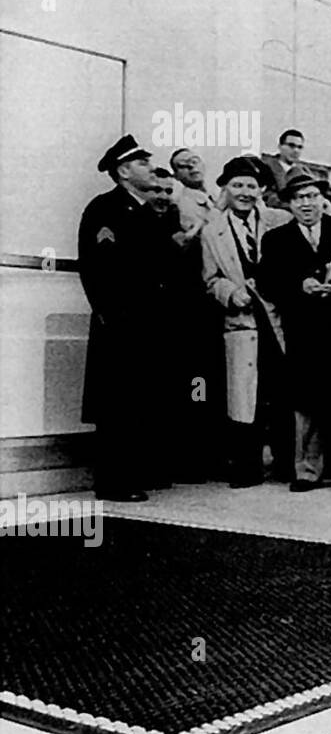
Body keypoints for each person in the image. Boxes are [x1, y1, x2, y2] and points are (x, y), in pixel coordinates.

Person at [78, 136, 180, 501]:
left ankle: (137, 472)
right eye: (142, 163)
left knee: (141, 400)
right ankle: (114, 482)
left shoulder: (147, 211)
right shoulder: (105, 209)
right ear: (123, 171)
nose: (151, 169)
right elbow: (100, 269)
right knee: (118, 403)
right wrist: (114, 317)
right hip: (122, 324)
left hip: (149, 325)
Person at [260, 168, 331, 493]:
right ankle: (307, 470)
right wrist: (299, 285)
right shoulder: (277, 239)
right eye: (298, 198)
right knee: (306, 400)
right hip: (304, 330)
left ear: (322, 199)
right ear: (289, 205)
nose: (306, 204)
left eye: (311, 196)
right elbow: (268, 281)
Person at [201, 156, 292, 487]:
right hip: (241, 323)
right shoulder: (213, 231)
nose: (244, 191)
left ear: (262, 189)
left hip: (279, 320)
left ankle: (286, 465)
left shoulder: (279, 220)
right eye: (237, 185)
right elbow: (209, 279)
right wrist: (229, 292)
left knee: (281, 393)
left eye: (251, 185)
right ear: (226, 188)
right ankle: (245, 468)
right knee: (242, 397)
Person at [171, 148, 223, 232]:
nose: (191, 166)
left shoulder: (217, 192)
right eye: (182, 165)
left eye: (194, 161)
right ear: (176, 176)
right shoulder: (182, 205)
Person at [261, 129, 305, 209]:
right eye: (291, 145)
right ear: (280, 146)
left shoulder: (302, 173)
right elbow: (266, 195)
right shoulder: (266, 167)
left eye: (299, 147)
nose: (296, 150)